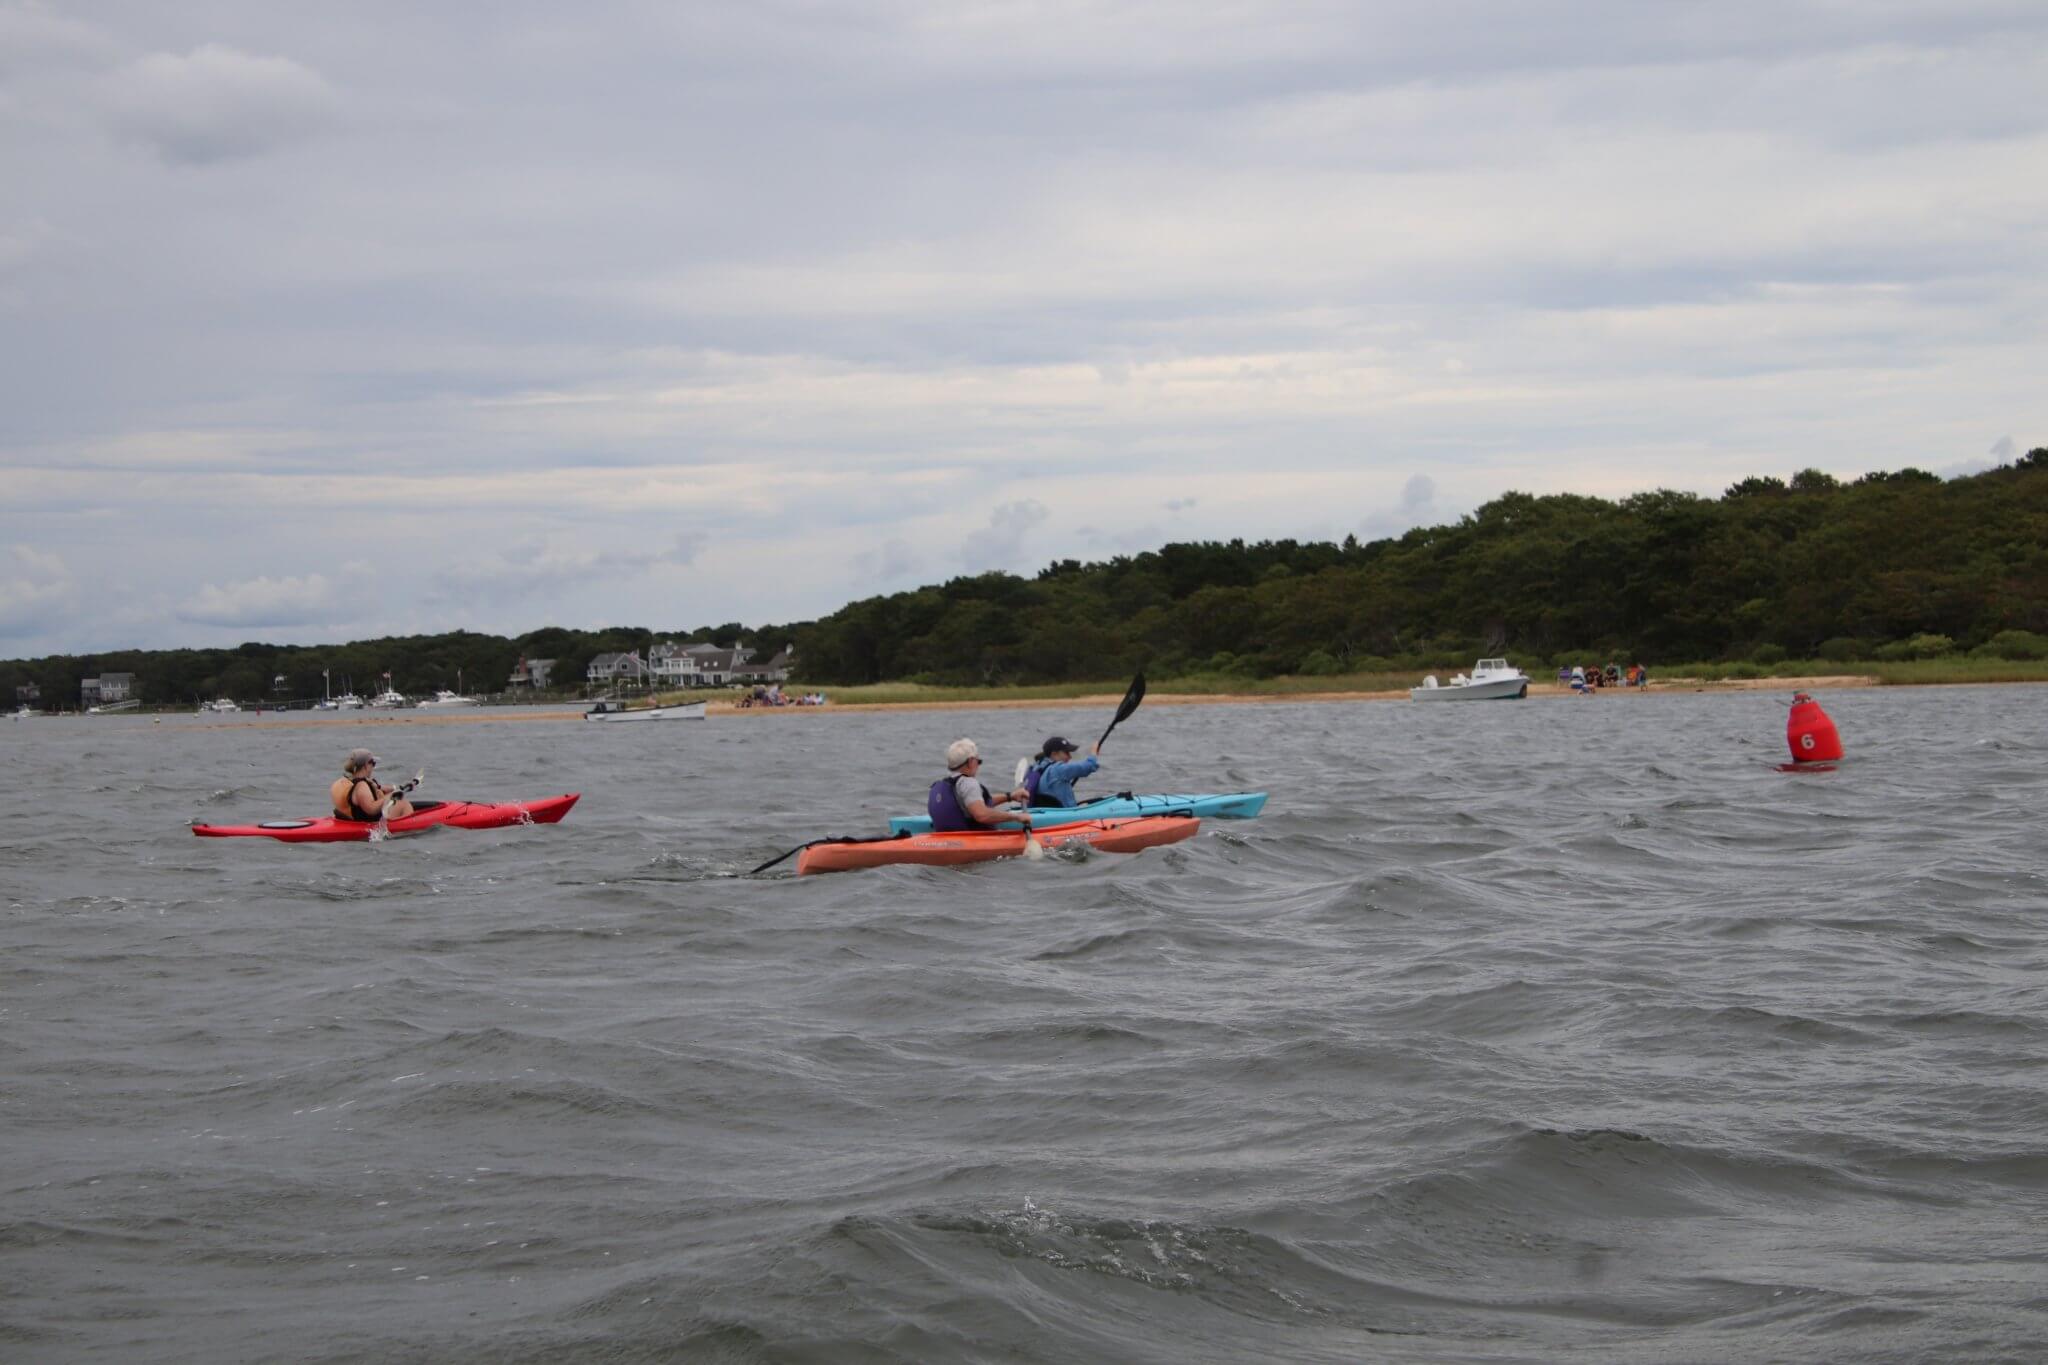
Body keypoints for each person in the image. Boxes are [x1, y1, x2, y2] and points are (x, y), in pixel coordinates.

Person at [927, 739, 1032, 832]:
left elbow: (974, 802)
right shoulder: (968, 783)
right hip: (971, 840)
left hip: (947, 838)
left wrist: (1010, 797)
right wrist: (1016, 817)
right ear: (970, 762)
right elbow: (982, 815)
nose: (978, 765)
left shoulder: (946, 784)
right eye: (978, 761)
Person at [330, 749, 415, 822]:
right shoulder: (361, 786)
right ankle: (410, 827)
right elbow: (371, 809)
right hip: (369, 822)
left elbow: (380, 788)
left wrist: (399, 788)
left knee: (403, 802)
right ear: (365, 766)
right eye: (373, 763)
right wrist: (391, 796)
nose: (373, 767)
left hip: (363, 817)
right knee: (403, 803)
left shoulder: (354, 780)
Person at [1025, 735, 1102, 808]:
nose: (1070, 757)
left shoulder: (1037, 767)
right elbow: (1089, 766)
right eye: (1066, 753)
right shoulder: (1058, 769)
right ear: (1054, 754)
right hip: (1064, 812)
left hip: (1048, 810)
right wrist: (1094, 753)